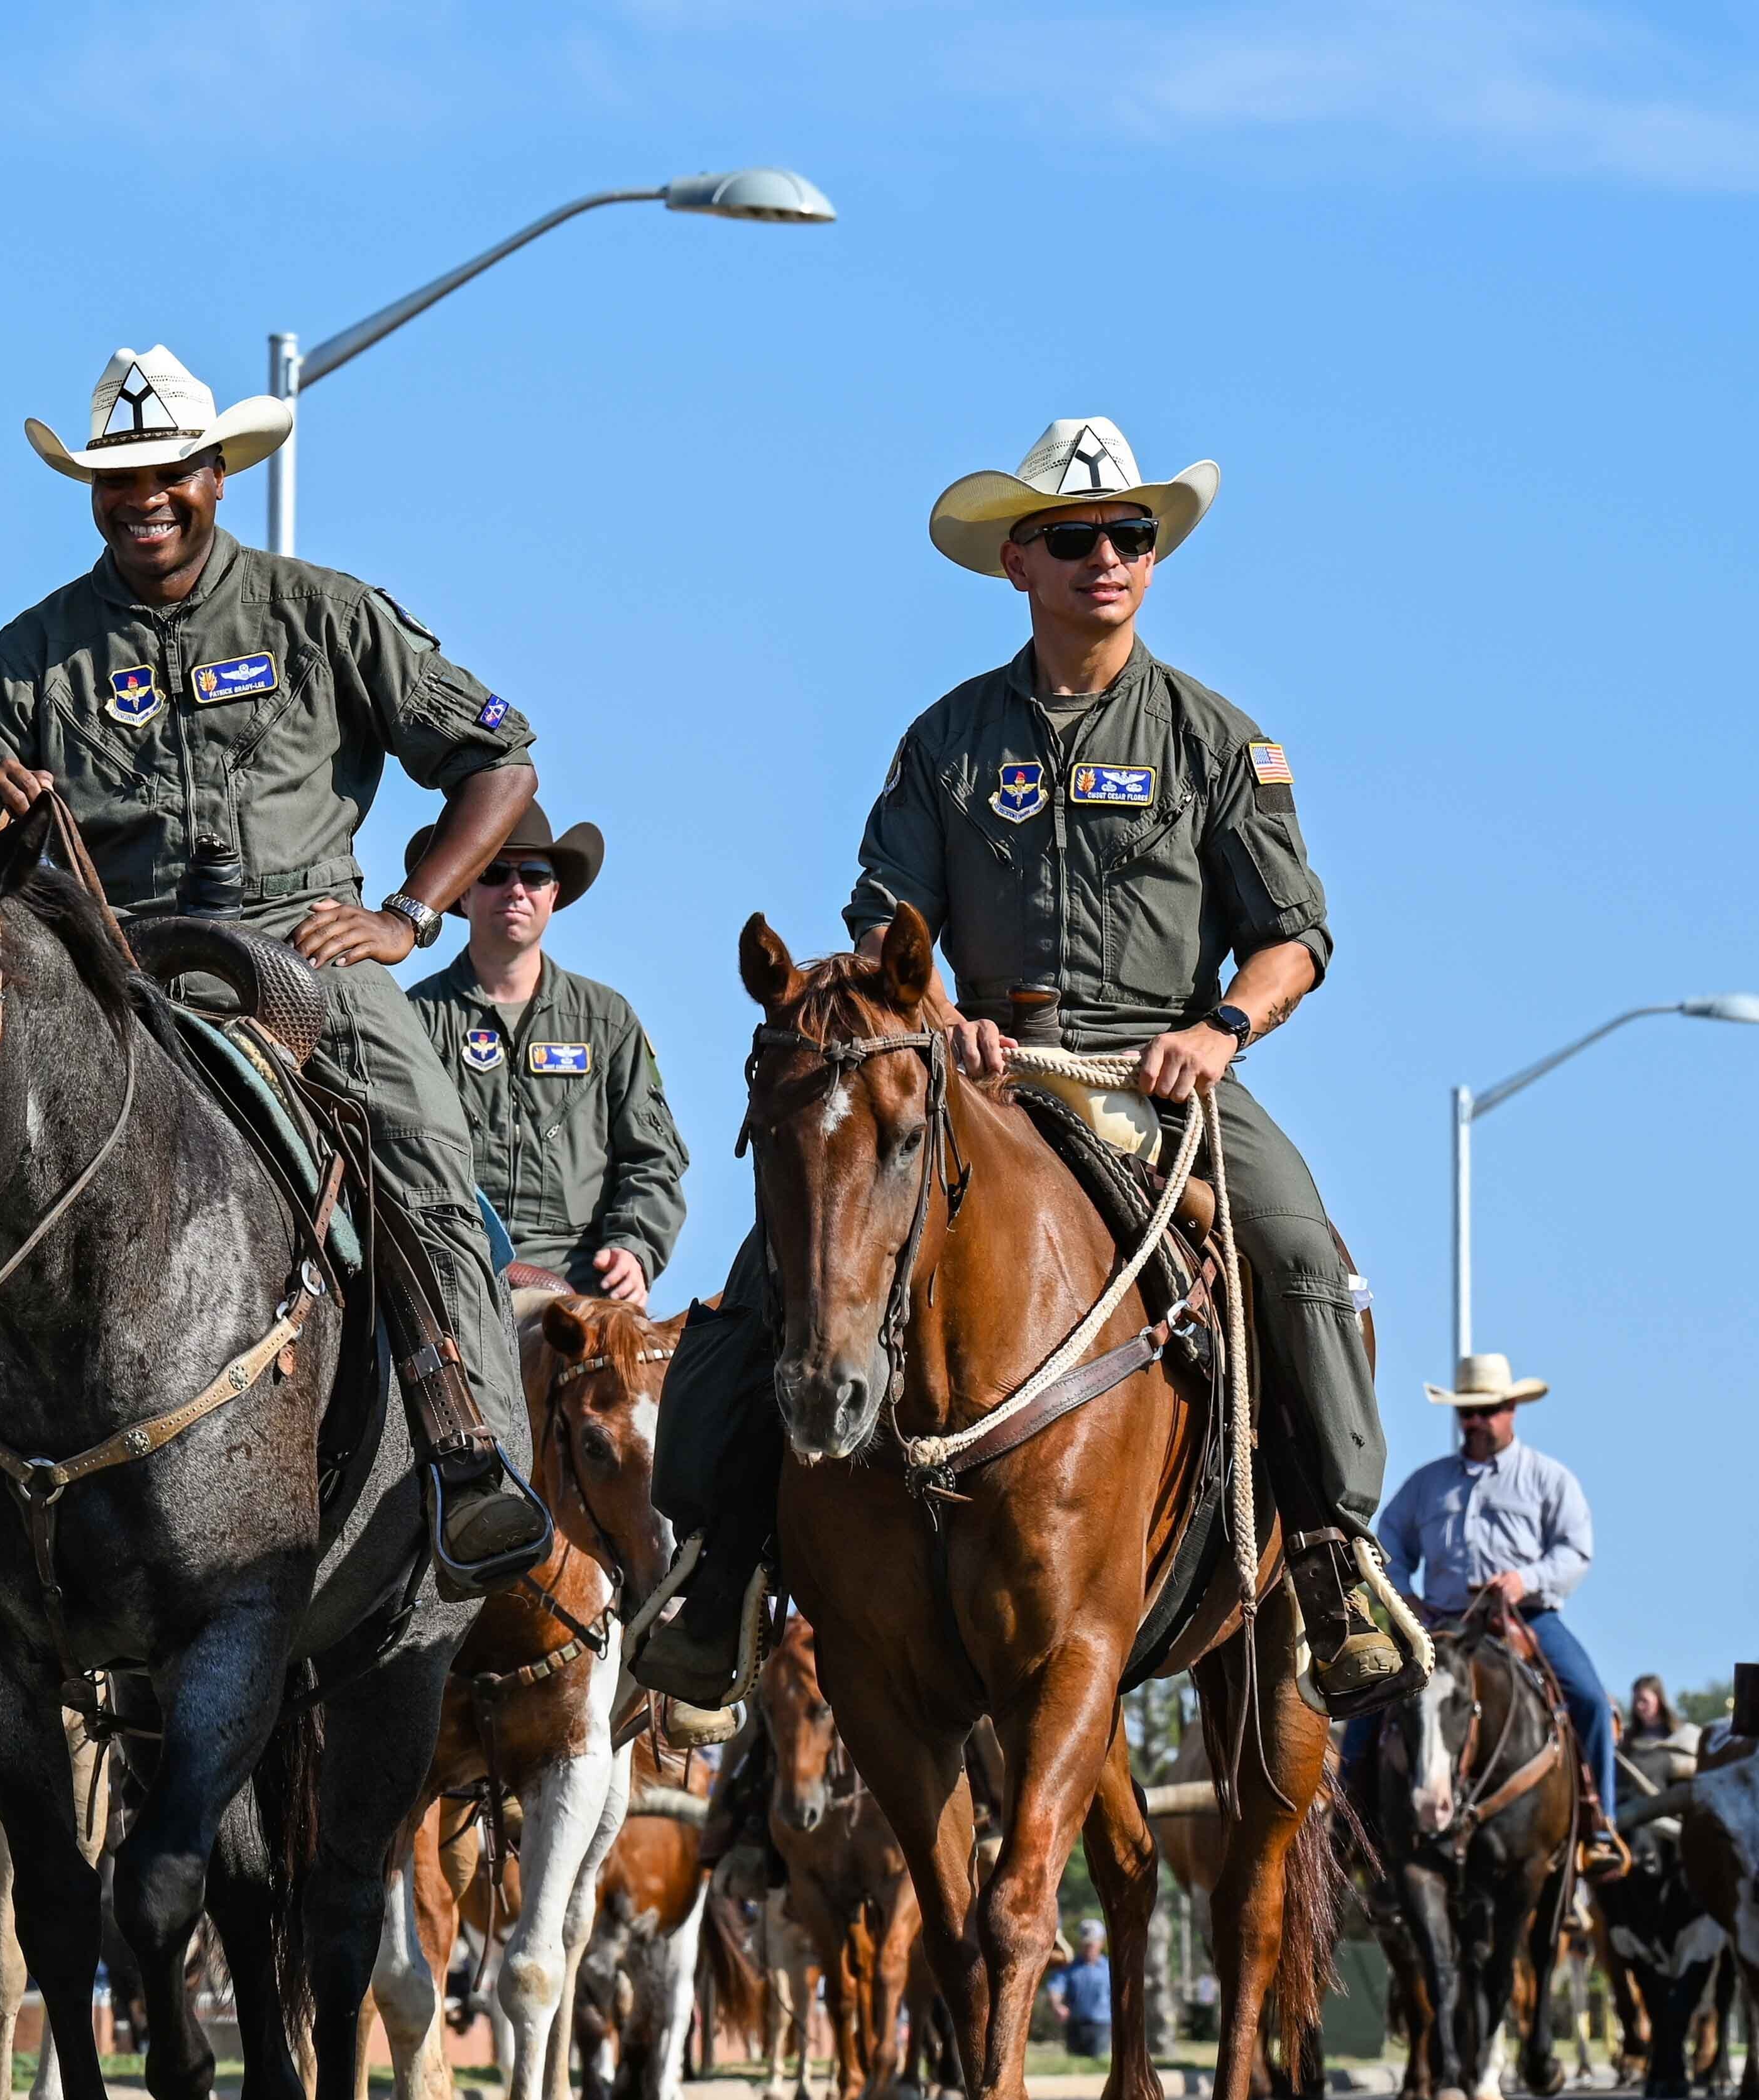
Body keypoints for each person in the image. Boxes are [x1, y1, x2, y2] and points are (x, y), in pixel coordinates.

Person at [636, 417, 1411, 1735]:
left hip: (1165, 1078)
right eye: (1074, 537)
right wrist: (942, 1017)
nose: (1106, 557)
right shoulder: (945, 740)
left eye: (1129, 535)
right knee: (785, 1263)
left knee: (1296, 1251)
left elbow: (1295, 937)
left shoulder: (1216, 739)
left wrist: (1221, 1027)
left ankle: (1336, 1559)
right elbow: (883, 921)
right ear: (1017, 561)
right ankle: (719, 1576)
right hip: (975, 1076)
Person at [0, 344, 551, 1583]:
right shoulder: (26, 657)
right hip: (110, 973)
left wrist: (409, 913)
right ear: (92, 492)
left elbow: (501, 756)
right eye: (118, 478)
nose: (144, 498)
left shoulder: (326, 613)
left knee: (425, 1152)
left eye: (170, 473)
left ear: (217, 474)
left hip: (309, 957)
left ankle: (466, 1453)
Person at [402, 803, 687, 1308]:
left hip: (583, 1292)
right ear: (462, 891)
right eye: (493, 872)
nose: (515, 889)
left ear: (553, 894)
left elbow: (653, 1157)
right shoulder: (414, 1019)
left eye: (534, 875)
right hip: (454, 1280)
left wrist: (634, 1250)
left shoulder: (606, 1019)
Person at [1368, 1352, 1625, 1874]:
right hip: (1440, 1625)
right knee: (1370, 1704)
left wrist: (1524, 1580)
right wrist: (1404, 1597)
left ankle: (1599, 1826)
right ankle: (1351, 1825)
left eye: (1488, 1410)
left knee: (1591, 1702)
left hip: (1525, 1620)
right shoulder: (1427, 1484)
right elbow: (1386, 1542)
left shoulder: (1547, 1479)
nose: (1477, 1421)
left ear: (1511, 1410)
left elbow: (1575, 1550)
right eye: (1468, 1412)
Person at [1619, 1673, 1701, 1806]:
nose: (1639, 1706)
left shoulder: (1684, 1735)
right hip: (1633, 1806)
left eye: (1644, 1701)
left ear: (1659, 1699)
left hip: (1674, 1805)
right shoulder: (1627, 1739)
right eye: (1636, 1701)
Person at [1046, 1918, 1113, 2060]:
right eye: (1085, 1944)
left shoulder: (1109, 1969)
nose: (1088, 1948)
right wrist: (1057, 2006)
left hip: (1101, 2027)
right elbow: (1056, 1988)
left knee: (1098, 2064)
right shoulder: (1069, 1968)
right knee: (1075, 2065)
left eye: (1092, 1944)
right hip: (1075, 2027)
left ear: (1101, 1943)